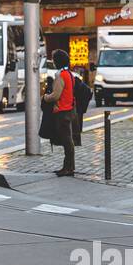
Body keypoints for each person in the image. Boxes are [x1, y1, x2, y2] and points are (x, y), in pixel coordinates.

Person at [39, 48, 77, 177]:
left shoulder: (61, 75)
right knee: (68, 140)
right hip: (69, 110)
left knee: (67, 141)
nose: (53, 62)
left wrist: (45, 97)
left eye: (54, 59)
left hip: (62, 111)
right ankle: (68, 167)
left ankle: (68, 168)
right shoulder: (69, 74)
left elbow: (56, 95)